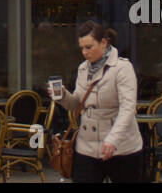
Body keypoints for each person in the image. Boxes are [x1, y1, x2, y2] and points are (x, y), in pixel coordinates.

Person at [51, 21, 144, 183]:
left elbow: (128, 108)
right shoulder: (83, 69)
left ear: (103, 43)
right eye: (82, 48)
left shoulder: (122, 68)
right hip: (87, 146)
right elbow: (76, 104)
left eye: (89, 47)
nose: (85, 52)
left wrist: (113, 139)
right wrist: (62, 96)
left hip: (121, 147)